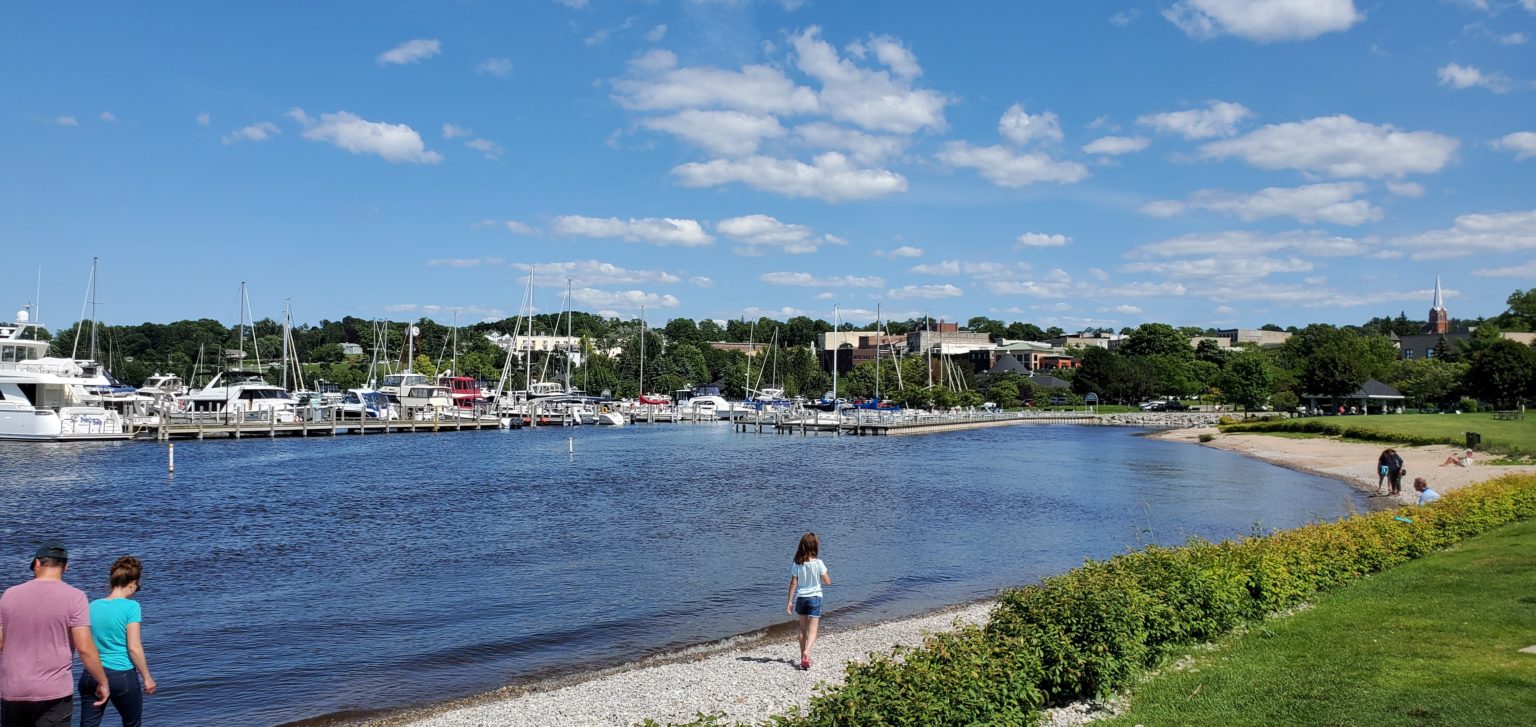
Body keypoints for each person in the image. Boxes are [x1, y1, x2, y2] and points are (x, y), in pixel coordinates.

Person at [0, 543, 110, 727]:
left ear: (37, 563)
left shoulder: (9, 595)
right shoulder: (75, 597)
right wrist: (102, 680)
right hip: (53, 691)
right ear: (65, 567)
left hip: (13, 689)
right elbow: (84, 648)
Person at [79, 556, 156, 727]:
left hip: (91, 674)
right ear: (132, 584)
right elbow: (134, 647)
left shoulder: (92, 606)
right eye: (138, 586)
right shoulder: (131, 607)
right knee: (132, 723)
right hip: (121, 674)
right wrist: (147, 677)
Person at [785, 532, 832, 671]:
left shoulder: (797, 564)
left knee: (802, 629)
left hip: (801, 598)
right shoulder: (819, 563)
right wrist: (822, 576)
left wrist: (789, 601)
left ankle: (802, 657)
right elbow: (827, 581)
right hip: (815, 598)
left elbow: (793, 583)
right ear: (815, 547)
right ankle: (807, 651)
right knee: (813, 629)